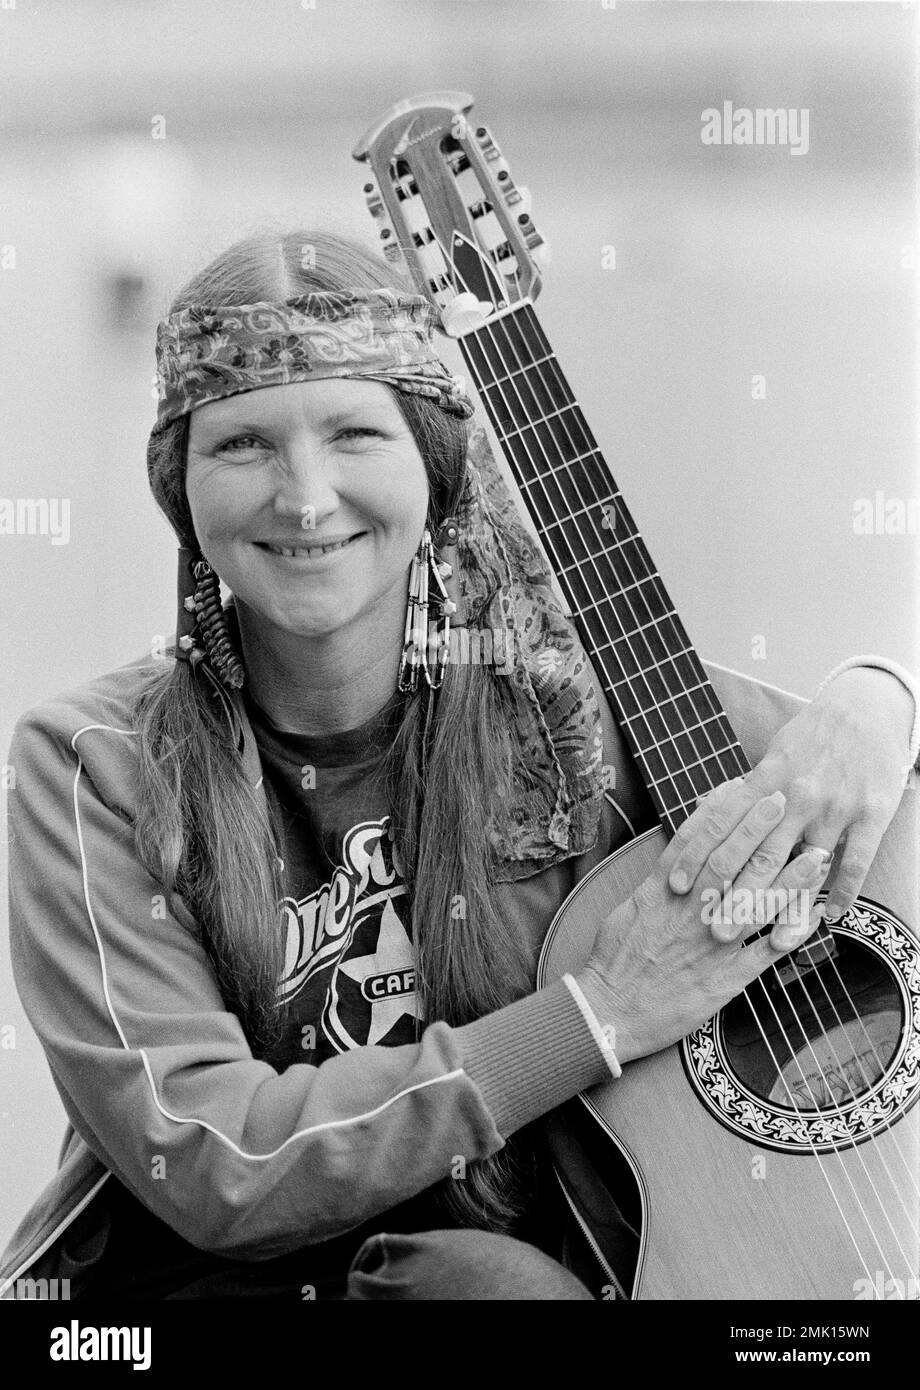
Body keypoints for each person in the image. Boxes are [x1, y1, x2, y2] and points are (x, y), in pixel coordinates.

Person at [2, 229, 917, 1301]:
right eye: (243, 444)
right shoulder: (94, 766)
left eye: (354, 433)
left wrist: (876, 700)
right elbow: (216, 1163)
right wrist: (599, 1013)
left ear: (434, 471)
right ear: (179, 489)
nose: (304, 497)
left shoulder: (574, 703)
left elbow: (837, 784)